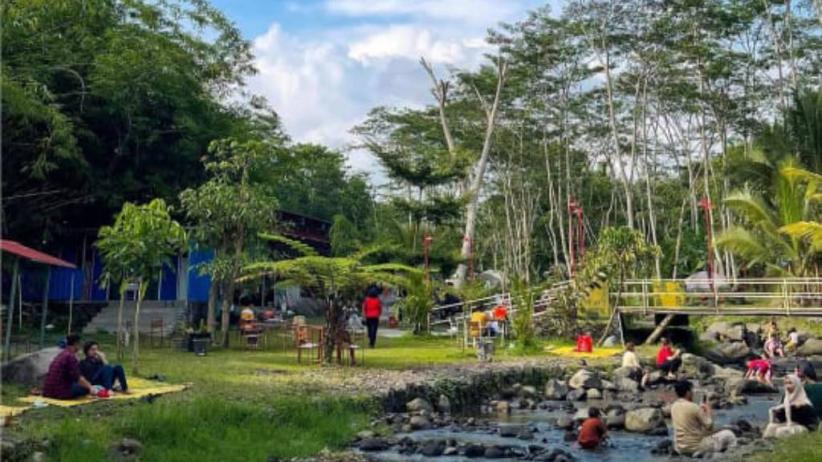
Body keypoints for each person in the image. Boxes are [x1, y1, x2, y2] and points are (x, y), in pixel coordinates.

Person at [671, 379, 737, 456]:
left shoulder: (673, 406)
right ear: (687, 392)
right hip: (696, 447)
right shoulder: (694, 407)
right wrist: (708, 410)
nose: (693, 393)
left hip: (679, 447)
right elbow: (709, 426)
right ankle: (730, 457)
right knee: (729, 435)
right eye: (691, 390)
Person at [42, 334, 93, 399]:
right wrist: (90, 387)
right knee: (85, 388)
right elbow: (78, 378)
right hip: (60, 392)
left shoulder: (61, 354)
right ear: (76, 344)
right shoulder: (70, 357)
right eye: (80, 344)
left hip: (47, 391)